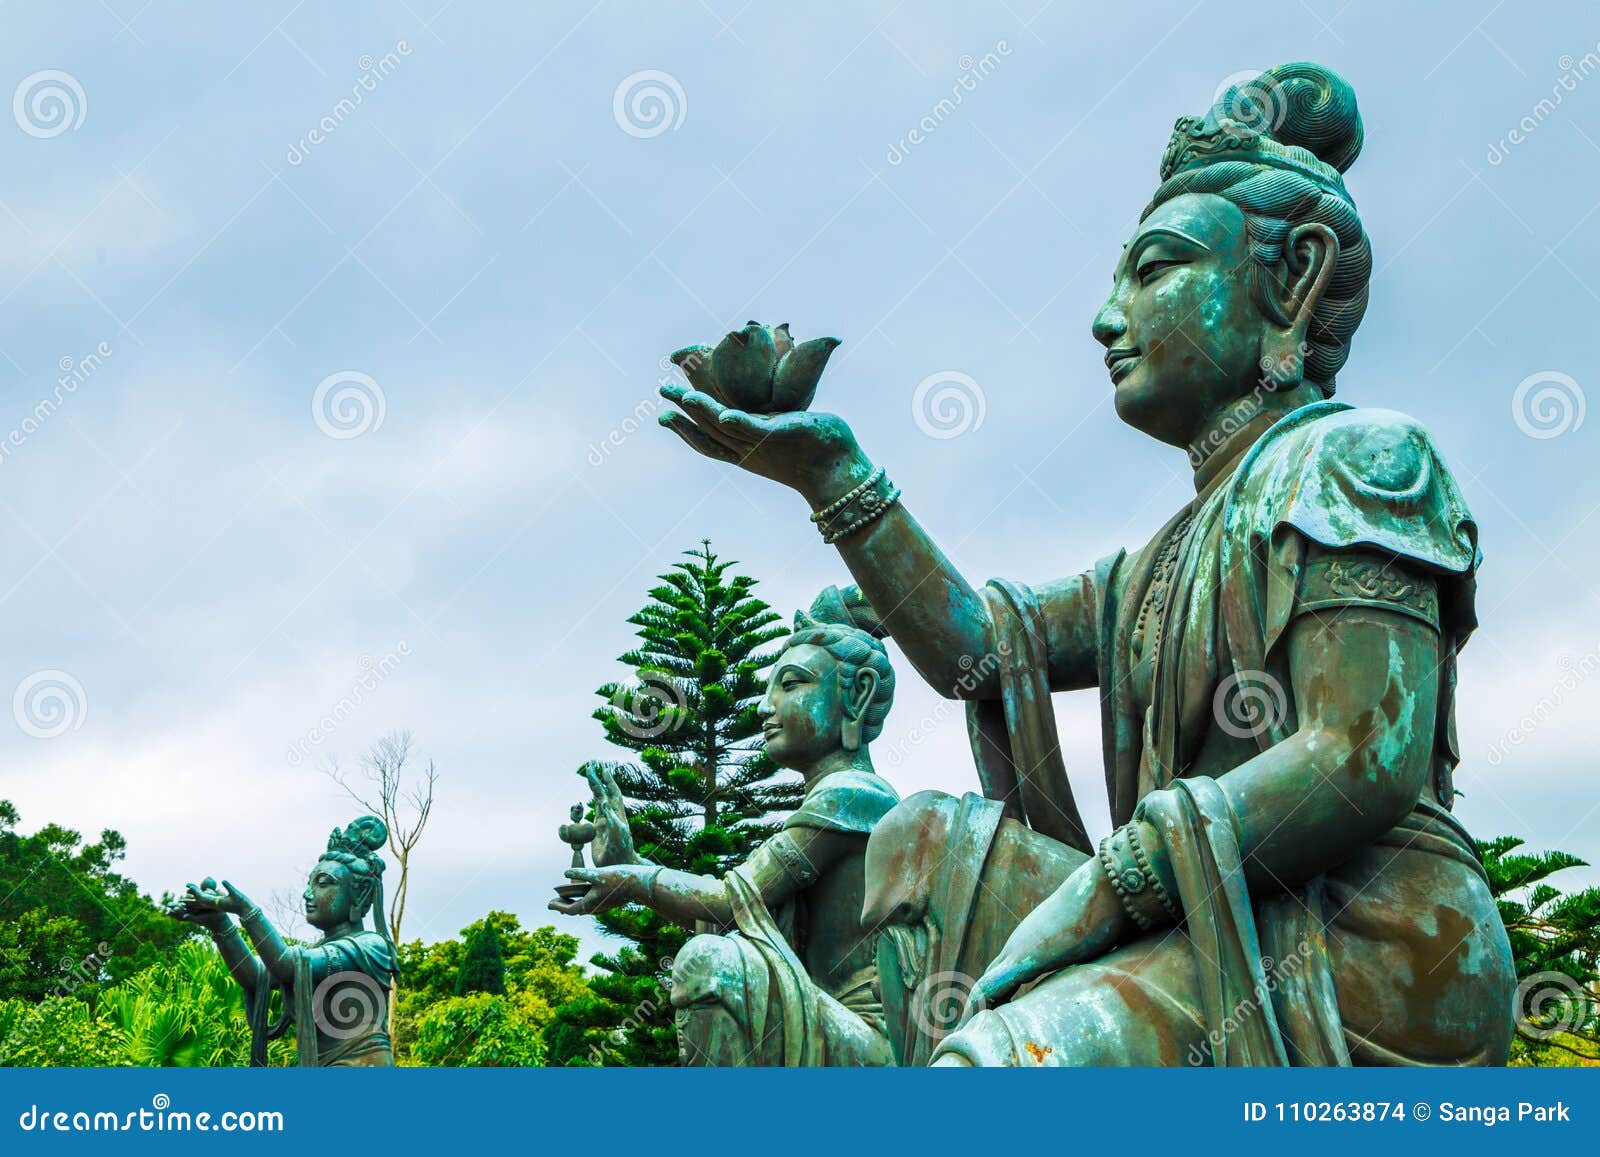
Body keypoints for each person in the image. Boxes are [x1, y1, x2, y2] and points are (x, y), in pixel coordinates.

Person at [655, 63, 1514, 1066]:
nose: (1108, 317)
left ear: (1296, 276)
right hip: (1197, 912)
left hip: (1362, 939)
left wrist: (1109, 886)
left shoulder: (1364, 458)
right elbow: (978, 647)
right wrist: (833, 473)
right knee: (920, 835)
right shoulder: (1151, 567)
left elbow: (1361, 755)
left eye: (1153, 270)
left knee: (1002, 1066)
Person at [551, 613, 899, 1065]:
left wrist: (633, 879)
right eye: (768, 688)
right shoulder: (834, 801)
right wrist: (631, 861)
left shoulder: (854, 796)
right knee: (719, 958)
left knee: (709, 964)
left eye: (791, 685)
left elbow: (727, 903)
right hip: (831, 1021)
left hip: (871, 1045)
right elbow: (739, 918)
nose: (763, 707)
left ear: (858, 693)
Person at [170, 815, 398, 1066]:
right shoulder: (316, 952)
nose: (308, 894)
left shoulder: (370, 946)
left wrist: (247, 911)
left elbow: (287, 964)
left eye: (323, 884)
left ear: (360, 892)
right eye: (310, 883)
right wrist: (221, 925)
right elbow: (256, 976)